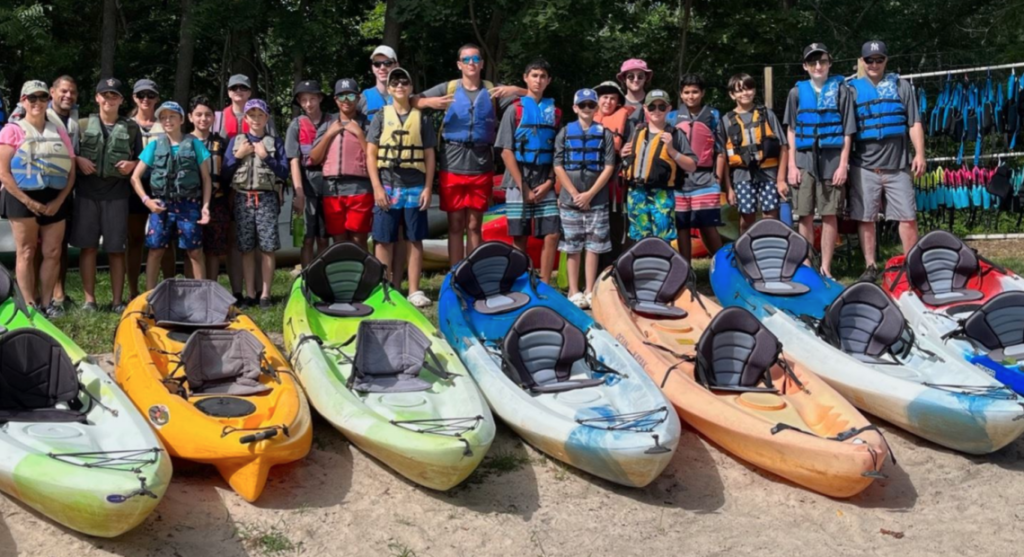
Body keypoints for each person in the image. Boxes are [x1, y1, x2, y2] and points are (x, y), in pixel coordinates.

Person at [415, 43, 524, 266]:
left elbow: (531, 95)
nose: (471, 63)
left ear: (482, 63)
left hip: (481, 164)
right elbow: (411, 100)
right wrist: (429, 102)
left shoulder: (493, 90)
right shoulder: (449, 88)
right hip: (451, 165)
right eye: (466, 60)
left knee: (475, 225)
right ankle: (456, 272)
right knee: (455, 224)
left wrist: (515, 89)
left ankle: (474, 272)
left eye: (475, 59)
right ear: (459, 64)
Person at [848, 40, 926, 283]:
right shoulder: (850, 89)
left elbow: (914, 122)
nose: (874, 64)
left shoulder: (902, 86)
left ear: (886, 61)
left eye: (879, 59)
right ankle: (871, 266)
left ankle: (911, 263)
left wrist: (920, 154)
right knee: (866, 218)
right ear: (862, 62)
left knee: (907, 216)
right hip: (864, 165)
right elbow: (846, 131)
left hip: (898, 164)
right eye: (869, 60)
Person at [0, 81, 76, 317]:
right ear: (23, 101)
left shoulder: (59, 130)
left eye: (42, 98)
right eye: (32, 98)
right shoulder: (12, 130)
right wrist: (30, 202)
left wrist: (60, 200)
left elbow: (71, 170)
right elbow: (3, 173)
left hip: (55, 197)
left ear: (48, 100)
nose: (37, 103)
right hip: (21, 198)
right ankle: (30, 306)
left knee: (53, 252)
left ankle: (47, 303)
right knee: (26, 252)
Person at [784, 43, 856, 278]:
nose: (818, 66)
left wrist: (844, 164)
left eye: (822, 61)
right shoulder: (796, 93)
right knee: (804, 213)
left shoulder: (841, 90)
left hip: (832, 160)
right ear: (805, 66)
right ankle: (806, 264)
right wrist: (792, 165)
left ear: (829, 63)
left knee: (829, 213)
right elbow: (791, 131)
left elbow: (848, 130)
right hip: (804, 160)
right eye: (813, 62)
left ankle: (825, 267)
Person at [367, 68, 436, 308]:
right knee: (383, 239)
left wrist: (428, 187)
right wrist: (376, 187)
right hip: (387, 185)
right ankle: (383, 287)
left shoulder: (422, 119)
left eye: (404, 82)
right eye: (394, 82)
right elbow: (371, 154)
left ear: (410, 87)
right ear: (388, 87)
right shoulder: (380, 117)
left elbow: (429, 156)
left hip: (415, 185)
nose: (399, 86)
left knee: (414, 238)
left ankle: (414, 290)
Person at [73, 78, 142, 312]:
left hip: (117, 196)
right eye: (105, 95)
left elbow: (142, 161)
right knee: (88, 247)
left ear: (122, 100)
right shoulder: (81, 125)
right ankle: (89, 300)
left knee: (116, 249)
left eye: (114, 96)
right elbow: (69, 155)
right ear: (97, 97)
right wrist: (78, 159)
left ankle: (116, 301)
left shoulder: (132, 128)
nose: (109, 100)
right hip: (86, 195)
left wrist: (132, 164)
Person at [130, 101, 212, 291]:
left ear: (182, 119)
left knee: (194, 251)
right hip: (162, 205)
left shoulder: (195, 144)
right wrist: (147, 201)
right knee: (155, 250)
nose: (168, 121)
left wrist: (205, 207)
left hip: (189, 204)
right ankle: (150, 296)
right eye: (164, 117)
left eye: (172, 116)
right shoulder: (154, 145)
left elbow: (206, 179)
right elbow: (135, 177)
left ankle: (202, 294)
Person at [497, 58, 561, 283]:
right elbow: (506, 151)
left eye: (543, 76)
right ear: (526, 78)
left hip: (545, 178)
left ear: (548, 80)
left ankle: (544, 283)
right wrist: (523, 187)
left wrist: (550, 181)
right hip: (518, 179)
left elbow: (557, 151)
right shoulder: (514, 111)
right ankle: (521, 280)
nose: (538, 80)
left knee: (552, 233)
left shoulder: (555, 113)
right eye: (534, 75)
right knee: (520, 235)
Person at [553, 88, 616, 309]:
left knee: (593, 246)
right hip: (570, 200)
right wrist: (574, 193)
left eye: (591, 105)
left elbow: (609, 166)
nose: (587, 109)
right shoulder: (565, 132)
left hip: (596, 199)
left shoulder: (605, 134)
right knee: (573, 246)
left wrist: (589, 194)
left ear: (596, 108)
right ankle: (573, 290)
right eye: (583, 105)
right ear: (575, 108)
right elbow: (558, 165)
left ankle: (590, 290)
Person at [223, 99, 288, 309]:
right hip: (243, 197)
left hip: (267, 198)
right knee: (246, 247)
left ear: (266, 118)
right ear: (246, 118)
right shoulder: (236, 141)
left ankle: (265, 294)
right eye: (252, 115)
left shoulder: (275, 142)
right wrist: (238, 156)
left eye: (260, 115)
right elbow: (224, 173)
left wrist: (266, 157)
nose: (256, 119)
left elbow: (284, 171)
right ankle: (250, 292)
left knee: (268, 247)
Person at [620, 90, 697, 242]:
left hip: (662, 193)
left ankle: (661, 264)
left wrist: (672, 150)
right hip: (636, 192)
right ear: (645, 108)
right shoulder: (637, 131)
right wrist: (623, 153)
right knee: (639, 236)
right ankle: (643, 265)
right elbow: (628, 156)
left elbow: (692, 166)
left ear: (668, 108)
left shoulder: (675, 134)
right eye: (652, 107)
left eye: (661, 107)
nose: (656, 111)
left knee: (662, 236)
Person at [308, 78, 373, 250]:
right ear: (335, 99)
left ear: (358, 99)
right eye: (342, 96)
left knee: (359, 239)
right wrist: (329, 134)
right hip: (332, 189)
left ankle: (362, 276)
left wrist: (359, 134)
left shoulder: (367, 124)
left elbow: (375, 157)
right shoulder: (328, 124)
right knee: (339, 241)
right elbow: (313, 158)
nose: (346, 100)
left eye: (351, 96)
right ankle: (343, 276)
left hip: (360, 189)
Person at [719, 73, 788, 233]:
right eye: (739, 90)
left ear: (754, 91)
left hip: (768, 173)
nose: (745, 93)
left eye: (748, 89)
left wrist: (781, 179)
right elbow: (723, 155)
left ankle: (772, 252)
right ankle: (746, 254)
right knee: (746, 219)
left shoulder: (767, 114)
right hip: (742, 176)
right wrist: (728, 188)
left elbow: (784, 146)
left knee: (771, 217)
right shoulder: (726, 120)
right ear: (732, 95)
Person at [671, 73, 724, 261]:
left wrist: (717, 178)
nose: (690, 96)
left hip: (705, 179)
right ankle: (685, 270)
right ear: (681, 94)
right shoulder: (672, 117)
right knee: (682, 226)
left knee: (708, 224)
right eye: (686, 92)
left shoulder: (714, 116)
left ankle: (721, 267)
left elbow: (720, 151)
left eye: (695, 92)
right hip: (679, 181)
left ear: (702, 93)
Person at [126, 79, 171, 299]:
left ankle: (169, 288)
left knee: (167, 240)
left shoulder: (166, 125)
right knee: (134, 239)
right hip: (134, 187)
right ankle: (135, 291)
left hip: (162, 187)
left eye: (150, 95)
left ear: (157, 99)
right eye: (141, 95)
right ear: (134, 97)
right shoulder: (125, 125)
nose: (146, 99)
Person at [189, 96, 233, 288]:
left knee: (214, 250)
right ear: (190, 117)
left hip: (217, 201)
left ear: (214, 118)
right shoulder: (184, 141)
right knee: (191, 247)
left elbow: (229, 172)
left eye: (207, 115)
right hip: (189, 202)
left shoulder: (221, 143)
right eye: (198, 115)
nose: (203, 119)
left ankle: (211, 289)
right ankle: (192, 289)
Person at [285, 79, 330, 266]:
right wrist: (299, 193)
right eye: (304, 100)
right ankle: (307, 277)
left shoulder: (331, 121)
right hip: (306, 183)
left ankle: (324, 275)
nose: (308, 104)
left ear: (320, 98)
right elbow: (293, 160)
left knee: (324, 237)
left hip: (328, 184)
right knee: (306, 237)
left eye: (312, 99)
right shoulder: (296, 125)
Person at [593, 81, 635, 264]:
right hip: (590, 180)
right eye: (604, 97)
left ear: (618, 102)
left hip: (614, 182)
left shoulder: (628, 123)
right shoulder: (586, 118)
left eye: (612, 98)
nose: (608, 101)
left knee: (615, 224)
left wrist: (627, 151)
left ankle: (614, 265)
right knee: (594, 226)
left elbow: (635, 148)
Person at [361, 45, 398, 121]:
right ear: (372, 68)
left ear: (396, 65)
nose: (382, 67)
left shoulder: (405, 96)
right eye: (377, 64)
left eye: (387, 63)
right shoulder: (363, 97)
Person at [617, 59, 652, 126]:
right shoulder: (617, 104)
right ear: (624, 79)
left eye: (640, 76)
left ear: (646, 78)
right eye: (631, 76)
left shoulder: (655, 104)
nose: (635, 80)